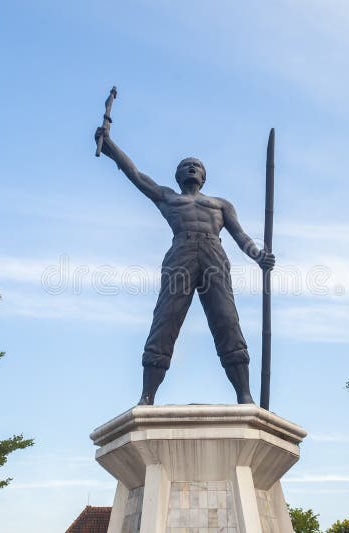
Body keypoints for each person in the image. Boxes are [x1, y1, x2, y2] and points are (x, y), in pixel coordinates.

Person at [95, 127, 275, 405]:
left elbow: (240, 236)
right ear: (178, 176)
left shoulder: (220, 204)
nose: (192, 168)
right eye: (186, 166)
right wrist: (110, 147)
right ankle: (147, 396)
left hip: (214, 256)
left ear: (204, 177)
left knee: (227, 320)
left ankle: (244, 394)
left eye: (197, 166)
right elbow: (135, 175)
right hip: (181, 255)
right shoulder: (168, 197)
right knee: (165, 320)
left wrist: (258, 256)